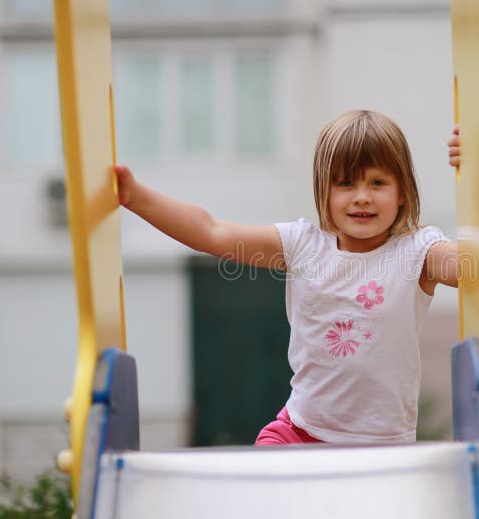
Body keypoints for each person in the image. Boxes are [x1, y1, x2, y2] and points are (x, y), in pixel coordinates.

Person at [116, 110, 460, 445]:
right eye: (344, 183)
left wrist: (477, 172)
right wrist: (135, 196)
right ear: (324, 192)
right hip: (299, 431)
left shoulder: (416, 252)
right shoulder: (303, 246)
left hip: (382, 443)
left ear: (402, 193)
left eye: (378, 182)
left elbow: (472, 268)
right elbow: (212, 231)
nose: (362, 197)